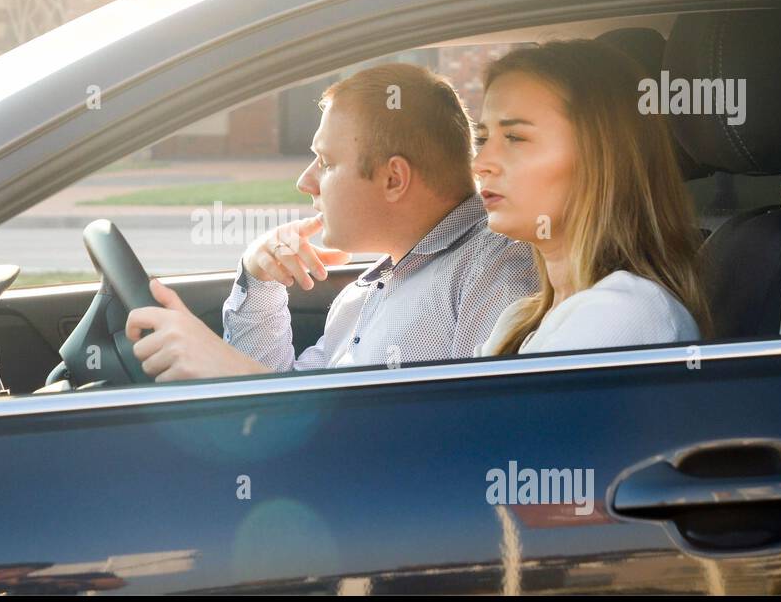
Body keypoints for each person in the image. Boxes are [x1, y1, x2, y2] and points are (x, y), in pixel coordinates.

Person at [125, 62, 538, 382]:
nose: (304, 181)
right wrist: (260, 281)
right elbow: (289, 405)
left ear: (394, 179)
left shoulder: (494, 270)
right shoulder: (373, 287)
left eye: (326, 162)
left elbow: (467, 443)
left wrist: (227, 369)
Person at [471, 40, 711, 357]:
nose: (479, 163)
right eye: (484, 138)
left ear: (602, 156)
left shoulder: (626, 313)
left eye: (515, 137)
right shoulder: (520, 320)